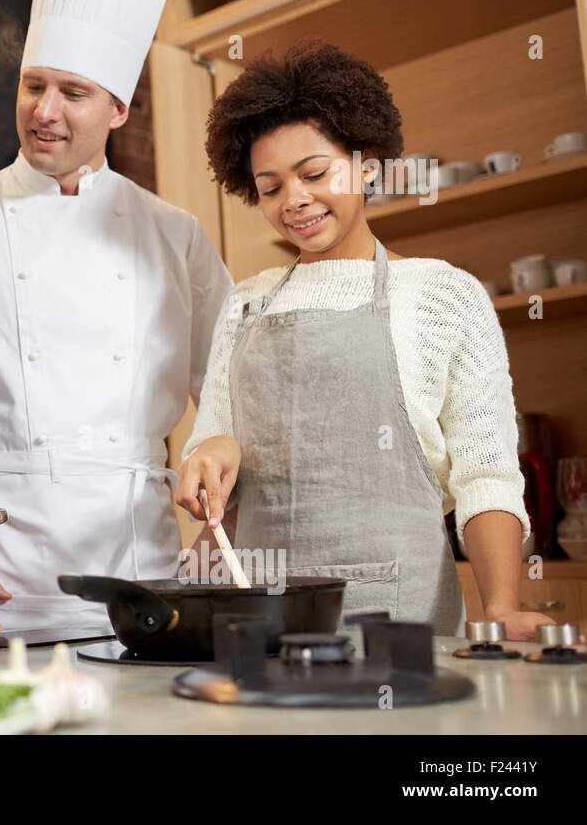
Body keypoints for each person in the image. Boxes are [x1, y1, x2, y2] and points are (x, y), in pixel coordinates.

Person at [0, 0, 233, 634]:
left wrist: (217, 469)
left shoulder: (173, 233)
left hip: (141, 574)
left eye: (73, 93)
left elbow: (228, 384)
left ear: (118, 108)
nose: (45, 112)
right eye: (34, 86)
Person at [174, 39, 552, 640]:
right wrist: (212, 456)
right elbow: (216, 438)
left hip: (399, 622)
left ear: (368, 163)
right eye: (269, 188)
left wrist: (501, 604)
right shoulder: (245, 301)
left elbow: (487, 474)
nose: (294, 200)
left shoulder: (443, 295)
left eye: (315, 173)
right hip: (258, 622)